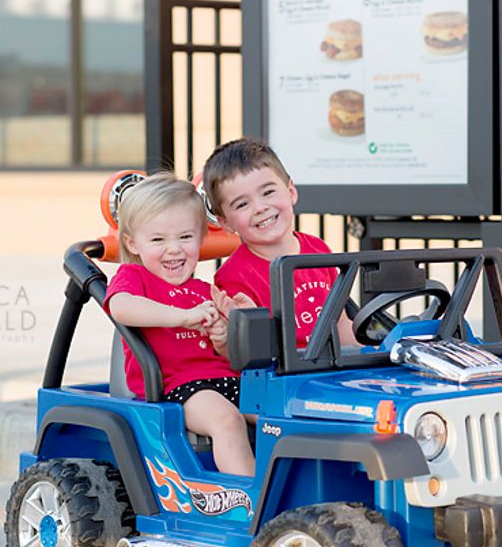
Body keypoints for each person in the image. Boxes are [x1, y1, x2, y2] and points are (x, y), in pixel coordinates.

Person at [104, 173, 254, 477]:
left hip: (225, 380)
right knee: (227, 420)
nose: (174, 249)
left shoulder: (203, 289)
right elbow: (121, 308)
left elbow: (225, 356)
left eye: (185, 237)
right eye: (158, 240)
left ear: (201, 239)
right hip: (177, 388)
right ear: (133, 243)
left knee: (277, 414)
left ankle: (290, 490)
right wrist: (182, 316)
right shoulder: (135, 278)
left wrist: (222, 336)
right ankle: (248, 504)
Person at [201, 137, 355, 348]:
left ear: (291, 191)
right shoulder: (234, 278)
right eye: (243, 204)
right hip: (281, 377)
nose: (260, 207)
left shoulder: (318, 249)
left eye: (268, 192)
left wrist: (372, 353)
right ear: (225, 223)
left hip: (330, 372)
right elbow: (247, 352)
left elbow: (341, 324)